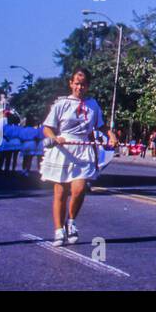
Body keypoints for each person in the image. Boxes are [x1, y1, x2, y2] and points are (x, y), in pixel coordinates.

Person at [41, 68, 116, 247]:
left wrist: (111, 136)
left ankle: (71, 221)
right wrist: (54, 138)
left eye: (83, 84)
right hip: (63, 149)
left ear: (87, 86)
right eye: (76, 83)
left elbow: (101, 127)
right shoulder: (61, 104)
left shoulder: (93, 105)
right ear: (71, 84)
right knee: (60, 192)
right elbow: (47, 127)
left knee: (79, 190)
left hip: (83, 149)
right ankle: (58, 230)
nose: (79, 87)